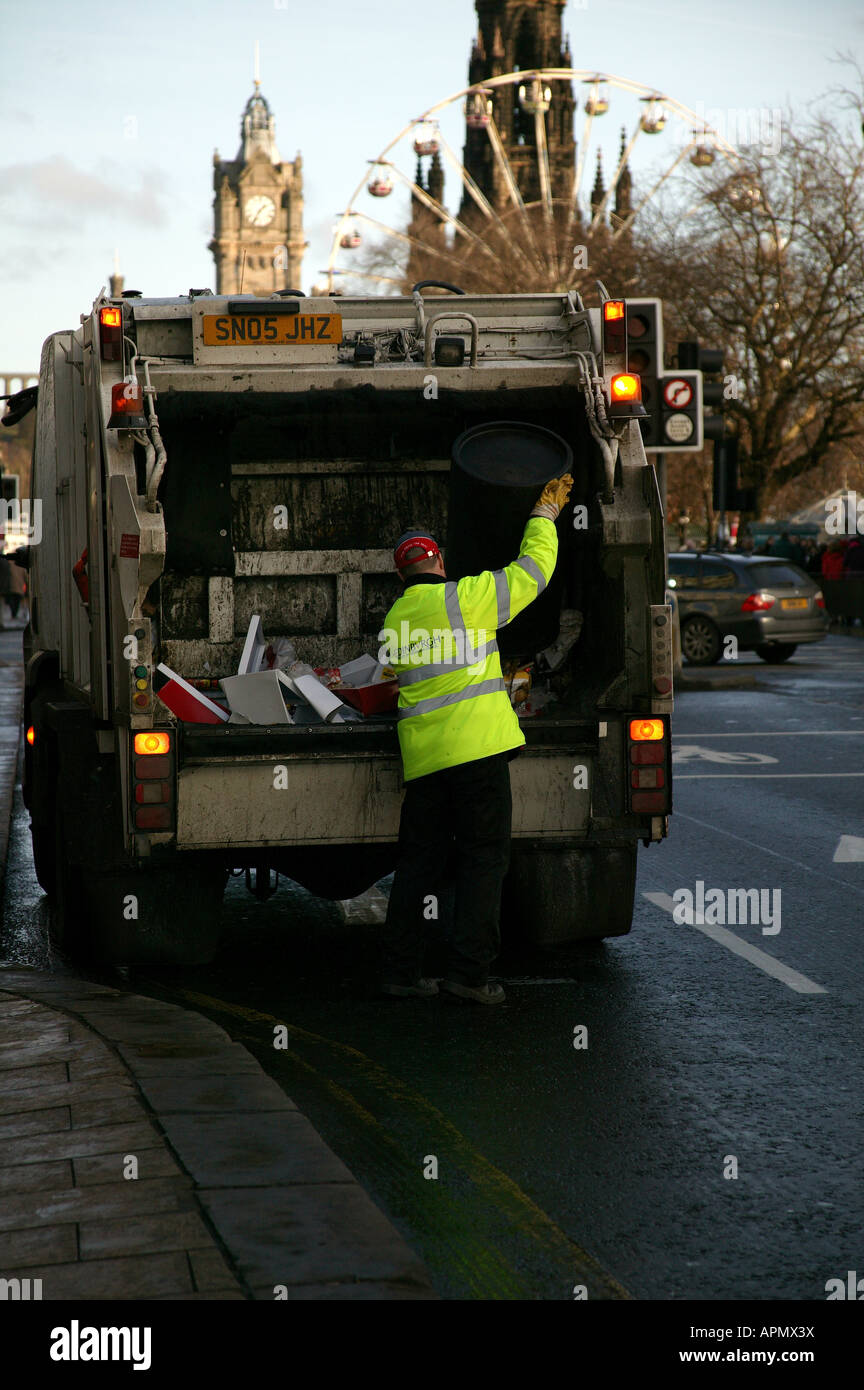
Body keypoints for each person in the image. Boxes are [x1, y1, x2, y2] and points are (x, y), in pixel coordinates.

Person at [377, 473, 573, 1004]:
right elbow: (533, 572)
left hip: (424, 763)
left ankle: (399, 973)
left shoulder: (395, 619)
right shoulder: (468, 597)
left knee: (417, 864)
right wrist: (544, 517)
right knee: (484, 860)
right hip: (479, 754)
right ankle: (467, 977)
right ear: (439, 561)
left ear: (402, 576)